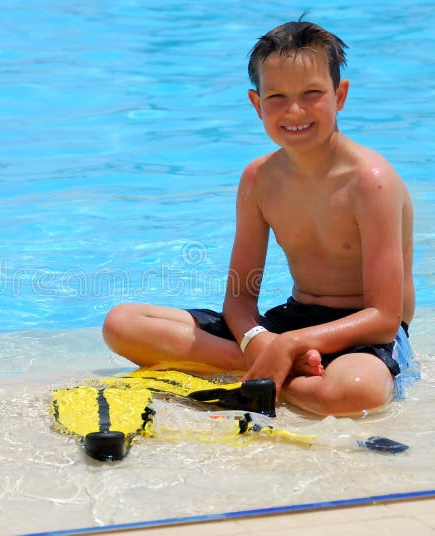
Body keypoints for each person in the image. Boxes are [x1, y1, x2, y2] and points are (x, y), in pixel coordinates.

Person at [102, 21, 415, 417]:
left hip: (361, 334)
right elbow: (238, 299)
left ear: (340, 96)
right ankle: (277, 372)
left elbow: (386, 319)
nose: (295, 110)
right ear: (257, 104)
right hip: (291, 322)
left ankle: (259, 376)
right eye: (278, 97)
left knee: (355, 394)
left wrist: (289, 344)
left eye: (312, 94)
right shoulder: (259, 178)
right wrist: (260, 341)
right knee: (122, 323)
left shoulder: (372, 182)